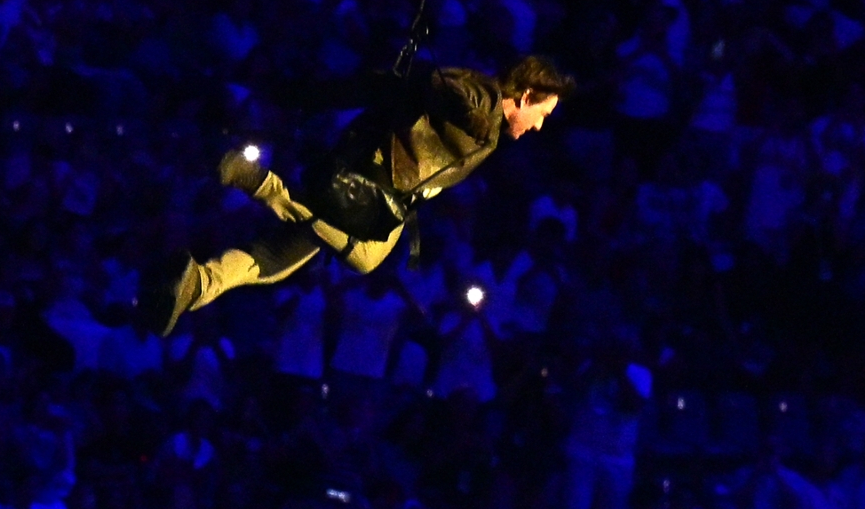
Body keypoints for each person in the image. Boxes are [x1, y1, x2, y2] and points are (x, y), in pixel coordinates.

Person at [140, 55, 573, 335]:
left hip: (387, 190)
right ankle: (261, 184)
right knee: (364, 259)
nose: (539, 126)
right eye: (542, 113)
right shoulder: (483, 100)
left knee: (273, 261)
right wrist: (470, 112)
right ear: (528, 95)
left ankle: (194, 283)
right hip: (375, 185)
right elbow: (439, 82)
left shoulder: (490, 121)